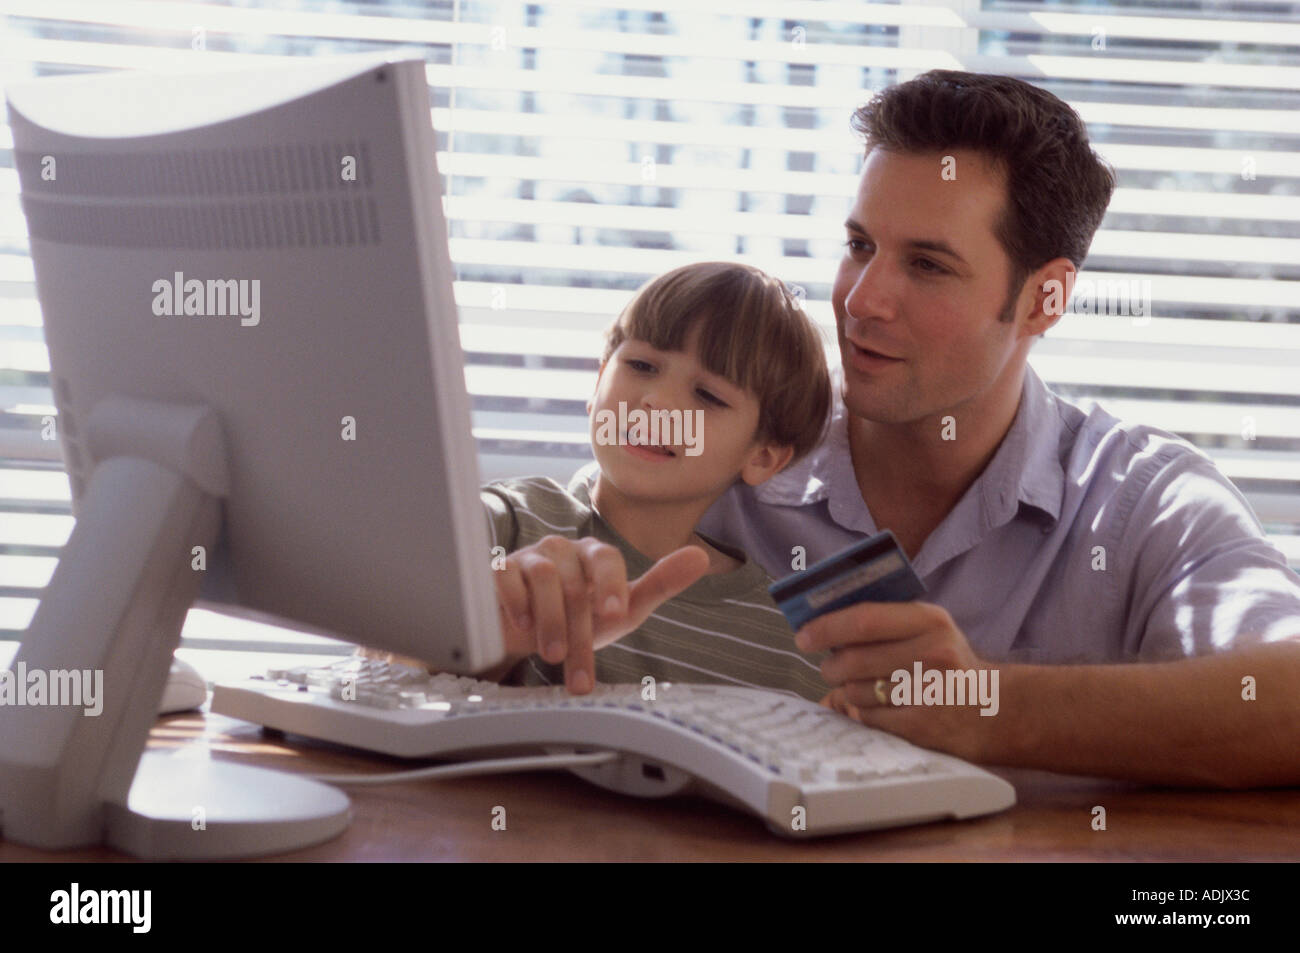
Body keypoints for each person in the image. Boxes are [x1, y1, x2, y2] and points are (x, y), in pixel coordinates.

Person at [514, 71, 1300, 789]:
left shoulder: (1145, 501)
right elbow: (544, 568)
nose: (862, 300)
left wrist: (988, 706)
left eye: (927, 265)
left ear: (1044, 300)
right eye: (860, 246)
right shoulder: (731, 444)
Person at [476, 261, 834, 702]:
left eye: (708, 395)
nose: (657, 402)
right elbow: (393, 656)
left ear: (762, 457)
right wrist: (493, 640)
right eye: (642, 365)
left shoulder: (795, 643)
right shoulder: (509, 523)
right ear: (599, 378)